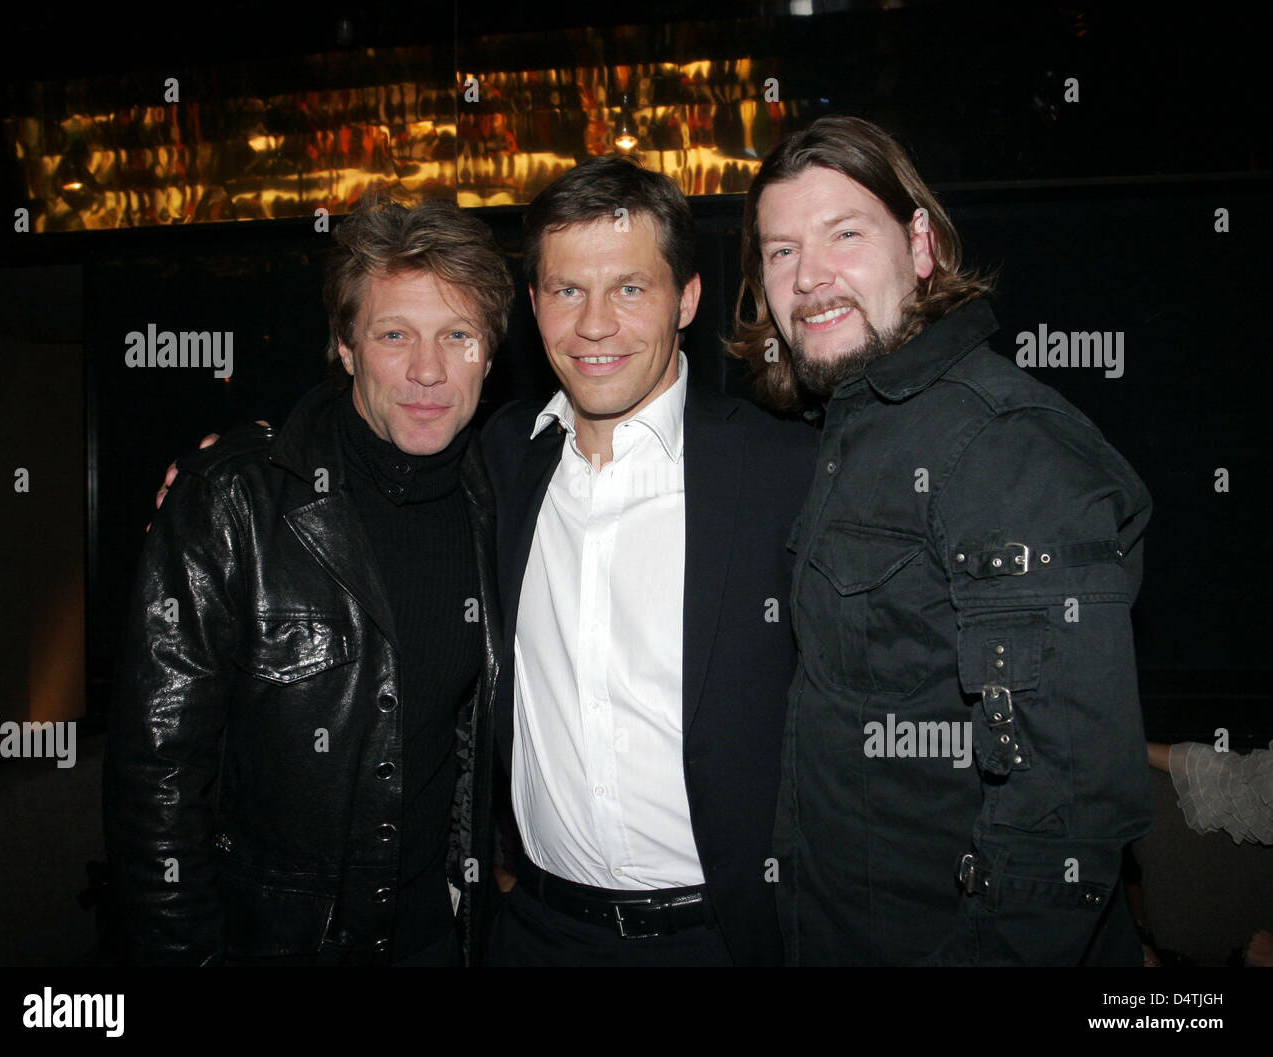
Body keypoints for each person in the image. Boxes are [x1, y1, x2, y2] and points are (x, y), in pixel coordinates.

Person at [730, 115, 1154, 965]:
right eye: (780, 252)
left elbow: (1065, 821)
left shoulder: (1003, 443)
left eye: (844, 234)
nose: (809, 277)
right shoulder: (851, 429)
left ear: (920, 244)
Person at [104, 194, 513, 965]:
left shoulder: (503, 496)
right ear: (347, 347)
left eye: (456, 335)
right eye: (395, 334)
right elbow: (154, 784)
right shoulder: (232, 499)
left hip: (441, 941)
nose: (428, 370)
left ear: (488, 354)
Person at [480, 156, 816, 965]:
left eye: (630, 288)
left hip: (726, 941)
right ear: (534, 306)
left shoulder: (787, 472)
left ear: (687, 298)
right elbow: (376, 451)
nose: (595, 324)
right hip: (535, 934)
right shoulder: (498, 462)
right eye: (567, 290)